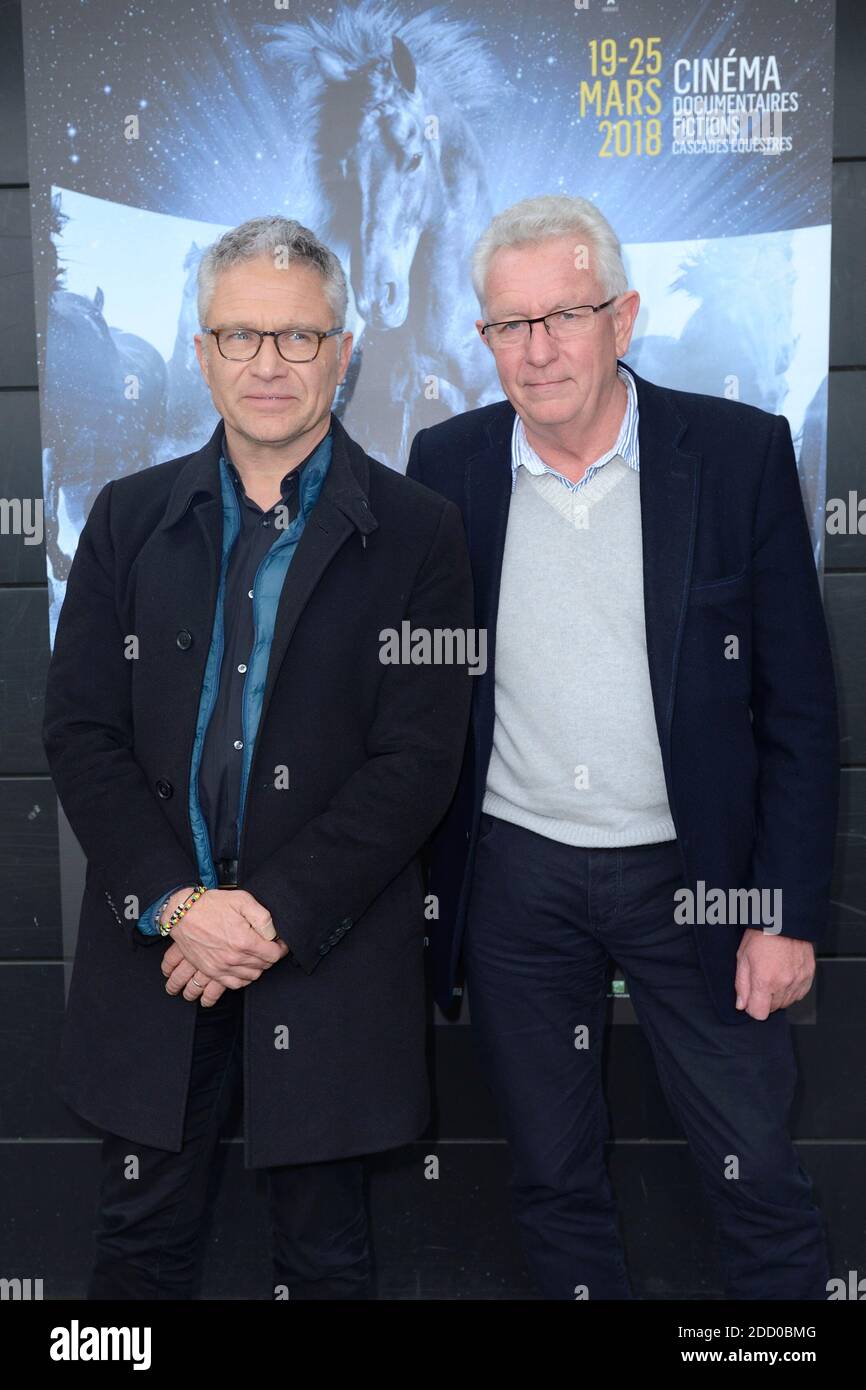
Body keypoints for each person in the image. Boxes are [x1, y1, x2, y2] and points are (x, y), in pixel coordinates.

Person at [407, 193, 839, 1300]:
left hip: (693, 879)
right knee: (551, 1181)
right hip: (517, 879)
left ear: (624, 316)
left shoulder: (736, 454)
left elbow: (795, 707)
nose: (538, 348)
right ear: (484, 338)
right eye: (509, 323)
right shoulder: (444, 463)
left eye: (566, 313)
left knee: (756, 1176)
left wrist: (779, 911)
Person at [43, 215, 473, 1300]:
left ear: (342, 349)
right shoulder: (127, 520)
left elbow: (414, 764)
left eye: (295, 337)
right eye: (239, 336)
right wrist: (183, 908)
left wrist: (265, 913)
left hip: (327, 961)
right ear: (200, 352)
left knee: (326, 1260)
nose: (267, 364)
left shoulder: (420, 531)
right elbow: (80, 734)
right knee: (134, 1255)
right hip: (156, 960)